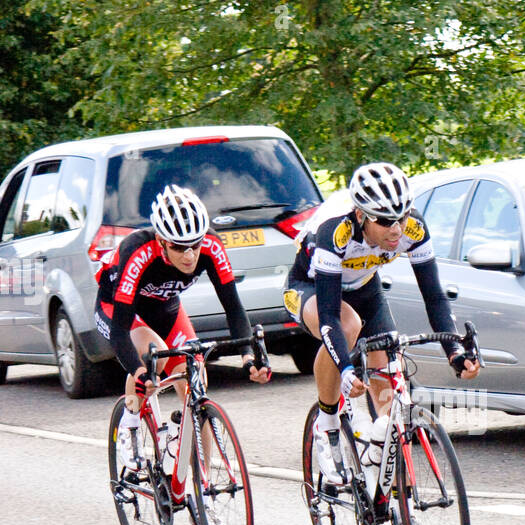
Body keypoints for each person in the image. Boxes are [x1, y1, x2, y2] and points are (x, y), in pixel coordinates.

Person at [284, 161, 479, 485]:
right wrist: (345, 370)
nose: (396, 229)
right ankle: (327, 425)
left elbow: (434, 296)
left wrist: (454, 351)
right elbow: (330, 315)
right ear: (361, 216)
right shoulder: (336, 231)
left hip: (364, 288)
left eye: (401, 217)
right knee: (347, 326)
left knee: (390, 364)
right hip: (310, 288)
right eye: (386, 221)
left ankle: (377, 456)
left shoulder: (413, 228)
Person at [95, 184, 270, 479]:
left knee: (195, 380)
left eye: (195, 245)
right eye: (178, 247)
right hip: (120, 310)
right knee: (155, 356)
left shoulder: (211, 247)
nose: (189, 256)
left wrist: (247, 356)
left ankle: (203, 483)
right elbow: (120, 332)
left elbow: (234, 307)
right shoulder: (136, 252)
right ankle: (130, 423)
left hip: (166, 309)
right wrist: (141, 374)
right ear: (162, 242)